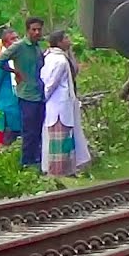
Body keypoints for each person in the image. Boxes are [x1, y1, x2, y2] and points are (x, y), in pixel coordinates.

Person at [40, 30, 92, 176]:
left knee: (64, 136)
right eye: (66, 38)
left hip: (59, 104)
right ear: (59, 42)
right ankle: (59, 170)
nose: (69, 40)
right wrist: (44, 98)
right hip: (59, 104)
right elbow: (52, 83)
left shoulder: (51, 57)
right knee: (60, 138)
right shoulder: (60, 61)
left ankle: (66, 169)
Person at [0, 16, 47, 169]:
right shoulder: (19, 46)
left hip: (40, 94)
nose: (37, 32)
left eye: (39, 29)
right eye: (34, 29)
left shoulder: (38, 47)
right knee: (29, 131)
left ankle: (37, 161)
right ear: (27, 30)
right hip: (26, 95)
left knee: (38, 130)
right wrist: (14, 71)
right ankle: (26, 163)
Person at [0, 29, 22, 153]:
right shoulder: (3, 63)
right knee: (4, 143)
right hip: (7, 109)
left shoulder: (22, 59)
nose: (16, 41)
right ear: (5, 44)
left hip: (21, 108)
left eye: (17, 38)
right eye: (12, 39)